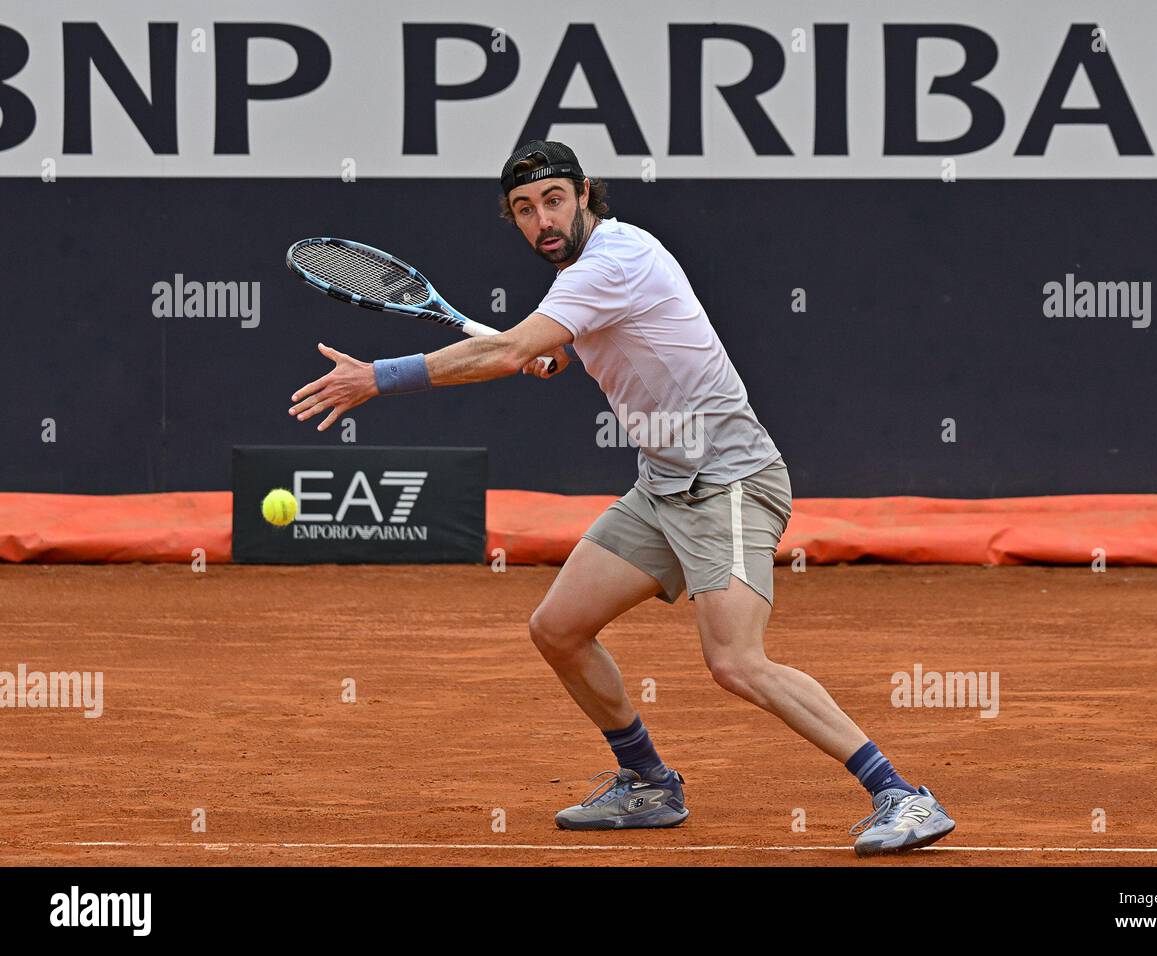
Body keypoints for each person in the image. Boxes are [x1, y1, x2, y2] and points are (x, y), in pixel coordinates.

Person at [288, 140, 956, 856]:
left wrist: (379, 378)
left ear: (584, 197)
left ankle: (901, 795)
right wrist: (551, 350)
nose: (541, 219)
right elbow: (560, 344)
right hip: (662, 485)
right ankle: (647, 783)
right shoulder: (588, 272)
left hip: (728, 479)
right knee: (559, 628)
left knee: (735, 661)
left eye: (553, 200)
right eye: (523, 209)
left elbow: (507, 352)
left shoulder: (615, 257)